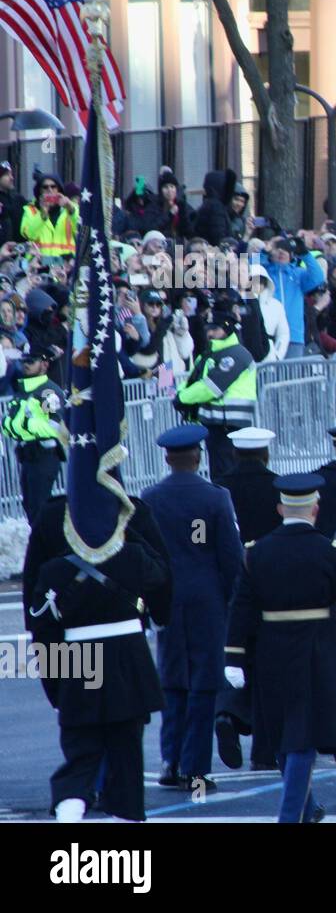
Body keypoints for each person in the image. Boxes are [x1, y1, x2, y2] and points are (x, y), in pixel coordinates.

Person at [225, 473, 336, 824]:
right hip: (313, 652)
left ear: (281, 509)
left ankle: (307, 810)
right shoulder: (329, 552)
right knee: (302, 740)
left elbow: (241, 607)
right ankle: (290, 817)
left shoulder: (256, 553)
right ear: (315, 508)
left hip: (269, 651)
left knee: (283, 736)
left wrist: (233, 656)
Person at [30, 535, 171, 822]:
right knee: (127, 752)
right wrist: (128, 532)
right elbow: (162, 576)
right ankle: (127, 815)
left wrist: (57, 689)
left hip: (79, 662)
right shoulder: (133, 557)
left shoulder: (53, 570)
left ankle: (70, 805)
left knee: (81, 750)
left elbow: (44, 636)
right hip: (127, 663)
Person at [141, 424, 243, 793]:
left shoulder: (150, 497)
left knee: (173, 682)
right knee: (203, 685)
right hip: (206, 602)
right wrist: (231, 599)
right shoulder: (216, 498)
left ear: (167, 458)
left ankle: (170, 761)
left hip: (165, 598)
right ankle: (195, 770)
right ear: (198, 456)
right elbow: (231, 557)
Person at [212, 425, 280, 771]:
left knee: (235, 653)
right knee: (267, 665)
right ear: (265, 454)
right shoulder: (277, 489)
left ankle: (227, 712)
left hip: (232, 582)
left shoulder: (219, 488)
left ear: (235, 453)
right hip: (270, 582)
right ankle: (264, 752)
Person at [174, 310, 257, 478]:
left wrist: (182, 398)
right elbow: (194, 381)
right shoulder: (210, 354)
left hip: (230, 427)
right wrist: (181, 392)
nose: (210, 333)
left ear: (228, 330)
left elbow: (211, 387)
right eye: (208, 328)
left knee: (227, 477)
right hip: (215, 426)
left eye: (215, 329)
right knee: (220, 475)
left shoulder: (235, 355)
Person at [2, 346, 65, 524]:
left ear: (44, 364)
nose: (25, 365)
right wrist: (13, 425)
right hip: (27, 455)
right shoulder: (23, 390)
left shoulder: (47, 391)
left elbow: (55, 426)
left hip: (44, 455)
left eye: (31, 361)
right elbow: (9, 422)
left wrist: (26, 425)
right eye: (23, 361)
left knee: (40, 508)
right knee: (30, 507)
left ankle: (47, 549)